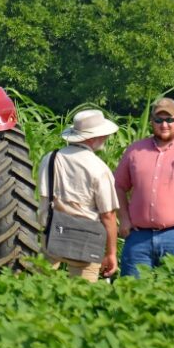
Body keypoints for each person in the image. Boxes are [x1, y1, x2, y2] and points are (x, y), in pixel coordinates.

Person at [114, 97, 174, 278]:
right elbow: (118, 186)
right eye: (158, 120)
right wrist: (124, 219)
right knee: (132, 294)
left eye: (169, 120)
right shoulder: (135, 151)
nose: (164, 125)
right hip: (139, 237)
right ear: (152, 122)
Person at [37, 109, 120, 281]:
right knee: (83, 294)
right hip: (86, 237)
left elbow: (44, 198)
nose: (105, 138)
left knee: (39, 287)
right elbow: (108, 215)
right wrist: (111, 253)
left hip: (52, 232)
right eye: (102, 134)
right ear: (91, 138)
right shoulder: (99, 168)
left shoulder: (50, 158)